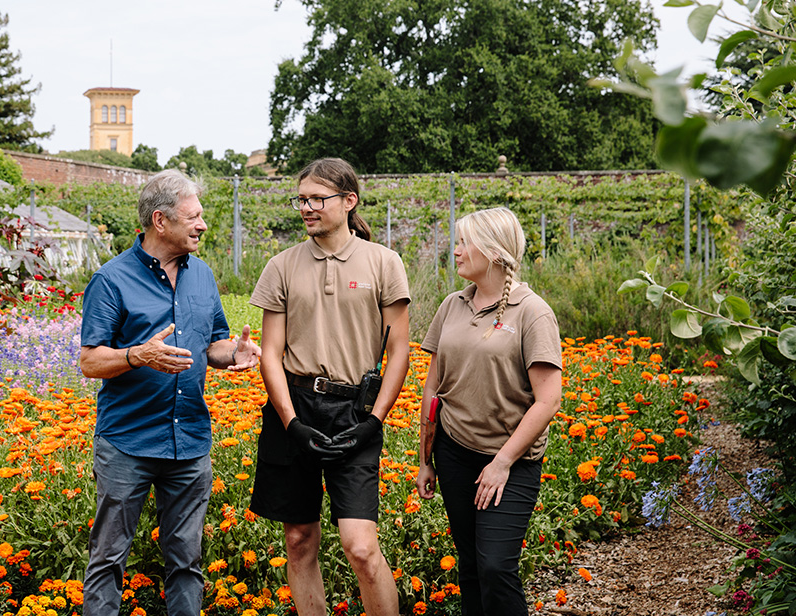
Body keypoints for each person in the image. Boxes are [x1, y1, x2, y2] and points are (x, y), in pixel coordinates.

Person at [78, 169, 262, 616]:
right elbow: (89, 361)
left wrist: (233, 352)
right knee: (108, 559)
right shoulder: (112, 279)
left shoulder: (202, 276)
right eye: (193, 217)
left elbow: (212, 344)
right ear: (160, 221)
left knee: (187, 561)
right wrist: (137, 356)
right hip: (128, 443)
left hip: (191, 444)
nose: (202, 225)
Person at [249, 157, 410, 616]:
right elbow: (271, 353)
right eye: (301, 199)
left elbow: (399, 350)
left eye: (317, 199)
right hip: (293, 409)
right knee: (299, 541)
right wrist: (292, 424)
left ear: (348, 201)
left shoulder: (383, 262)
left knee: (360, 546)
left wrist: (374, 420)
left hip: (355, 413)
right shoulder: (280, 266)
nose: (306, 208)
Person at [414, 207, 563, 615]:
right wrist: (425, 458)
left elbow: (548, 400)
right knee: (471, 567)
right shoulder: (452, 306)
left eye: (464, 242)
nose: (456, 251)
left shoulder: (532, 312)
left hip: (509, 462)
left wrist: (501, 463)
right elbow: (433, 386)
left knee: (497, 567)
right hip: (454, 452)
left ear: (495, 251)